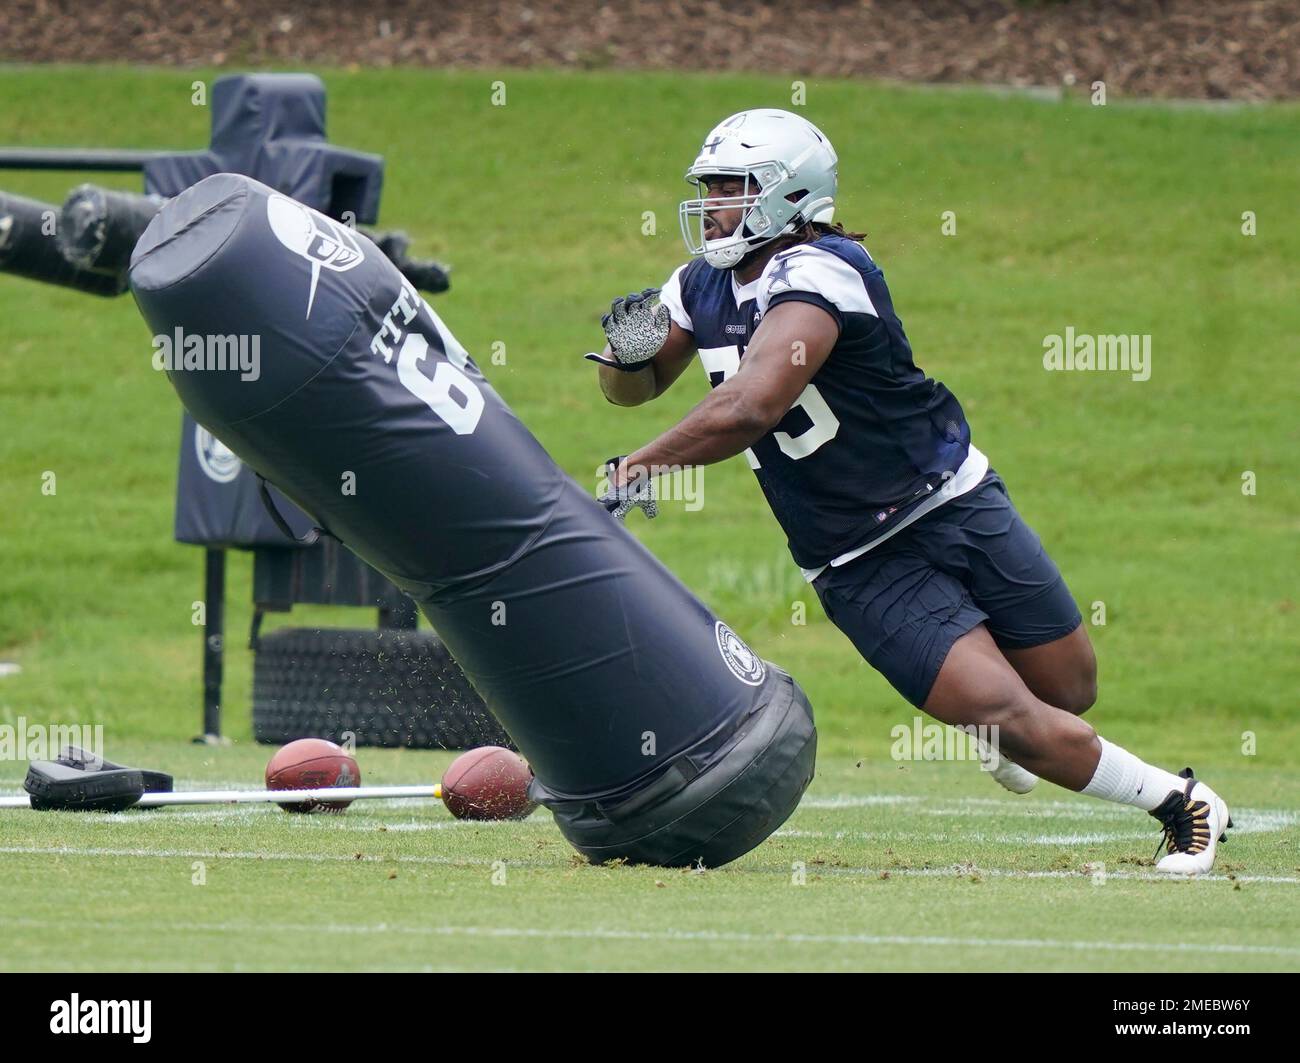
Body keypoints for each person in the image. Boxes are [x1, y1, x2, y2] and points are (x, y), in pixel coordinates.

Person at [585, 108, 1229, 874]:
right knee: (1006, 712)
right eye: (710, 186)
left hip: (954, 496)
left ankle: (1007, 726)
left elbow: (752, 405)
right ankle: (1182, 801)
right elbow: (636, 386)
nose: (714, 202)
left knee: (1070, 686)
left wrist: (641, 466)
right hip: (855, 556)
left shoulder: (824, 270)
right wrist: (623, 358)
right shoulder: (700, 283)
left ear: (790, 194)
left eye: (733, 186)